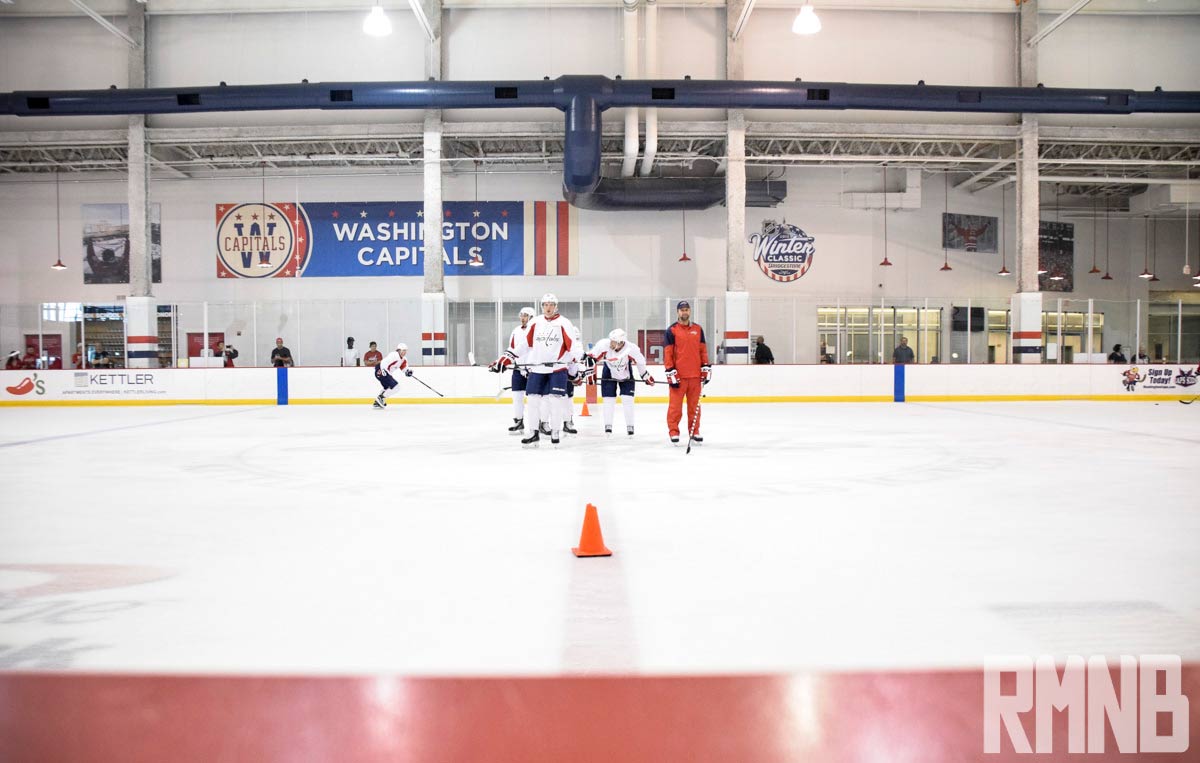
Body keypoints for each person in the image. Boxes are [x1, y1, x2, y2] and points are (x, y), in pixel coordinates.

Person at [495, 293, 578, 447]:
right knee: (532, 400)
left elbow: (572, 345)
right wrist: (507, 358)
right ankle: (533, 433)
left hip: (557, 368)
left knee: (555, 401)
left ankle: (555, 431)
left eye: (551, 304)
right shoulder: (536, 322)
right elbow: (524, 344)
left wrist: (583, 358)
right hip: (537, 368)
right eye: (545, 304)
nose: (548, 307)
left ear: (556, 306)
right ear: (542, 306)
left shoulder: (564, 323)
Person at [585, 327, 653, 436]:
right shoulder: (604, 345)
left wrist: (645, 375)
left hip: (626, 374)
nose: (610, 343)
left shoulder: (631, 348)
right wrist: (590, 374)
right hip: (609, 372)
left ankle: (630, 427)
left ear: (620, 342)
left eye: (613, 341)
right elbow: (590, 358)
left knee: (627, 400)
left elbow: (640, 361)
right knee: (608, 400)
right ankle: (608, 427)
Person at [664, 300, 710, 445]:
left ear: (690, 311)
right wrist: (670, 371)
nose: (685, 312)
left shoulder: (698, 329)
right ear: (677, 312)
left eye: (687, 309)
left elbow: (703, 350)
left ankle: (694, 431)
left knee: (695, 407)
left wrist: (706, 367)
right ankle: (673, 432)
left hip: (695, 377)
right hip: (679, 377)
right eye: (682, 309)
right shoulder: (671, 330)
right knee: (675, 407)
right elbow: (668, 353)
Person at [489, 307, 536, 434]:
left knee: (535, 399)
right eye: (521, 315)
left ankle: (539, 424)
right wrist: (500, 361)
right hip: (518, 369)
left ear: (531, 317)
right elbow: (512, 349)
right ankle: (518, 422)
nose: (522, 318)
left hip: (533, 370)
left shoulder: (537, 330)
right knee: (517, 397)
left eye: (525, 315)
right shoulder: (516, 331)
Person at [372, 342, 412, 408]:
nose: (404, 352)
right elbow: (384, 362)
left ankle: (377, 402)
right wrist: (383, 370)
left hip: (384, 373)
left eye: (405, 350)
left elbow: (403, 367)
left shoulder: (403, 359)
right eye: (403, 350)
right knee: (396, 387)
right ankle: (381, 398)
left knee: (388, 388)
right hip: (381, 371)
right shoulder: (394, 355)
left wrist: (407, 371)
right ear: (399, 350)